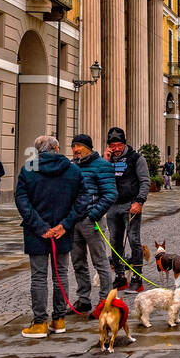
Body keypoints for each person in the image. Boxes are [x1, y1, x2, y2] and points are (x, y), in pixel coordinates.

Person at [16, 135, 89, 338]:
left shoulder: (29, 168)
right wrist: (65, 225)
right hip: (62, 231)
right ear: (56, 148)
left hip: (36, 231)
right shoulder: (72, 169)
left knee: (39, 277)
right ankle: (59, 320)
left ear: (38, 150)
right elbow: (83, 199)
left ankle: (39, 323)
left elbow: (21, 200)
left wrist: (40, 227)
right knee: (60, 275)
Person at [68, 133, 117, 315]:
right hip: (73, 222)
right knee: (78, 262)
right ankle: (83, 299)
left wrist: (94, 214)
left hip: (92, 221)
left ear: (89, 147)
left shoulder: (102, 166)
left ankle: (106, 299)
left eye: (79, 146)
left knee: (100, 261)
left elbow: (110, 194)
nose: (75, 149)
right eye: (73, 146)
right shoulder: (71, 167)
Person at [104, 127, 150, 292]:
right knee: (115, 242)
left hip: (131, 205)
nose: (116, 148)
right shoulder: (108, 160)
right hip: (112, 206)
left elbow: (145, 181)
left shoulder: (136, 158)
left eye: (119, 145)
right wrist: (106, 161)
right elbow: (102, 179)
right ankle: (120, 276)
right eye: (112, 145)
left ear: (124, 143)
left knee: (133, 240)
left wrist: (140, 201)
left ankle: (137, 278)